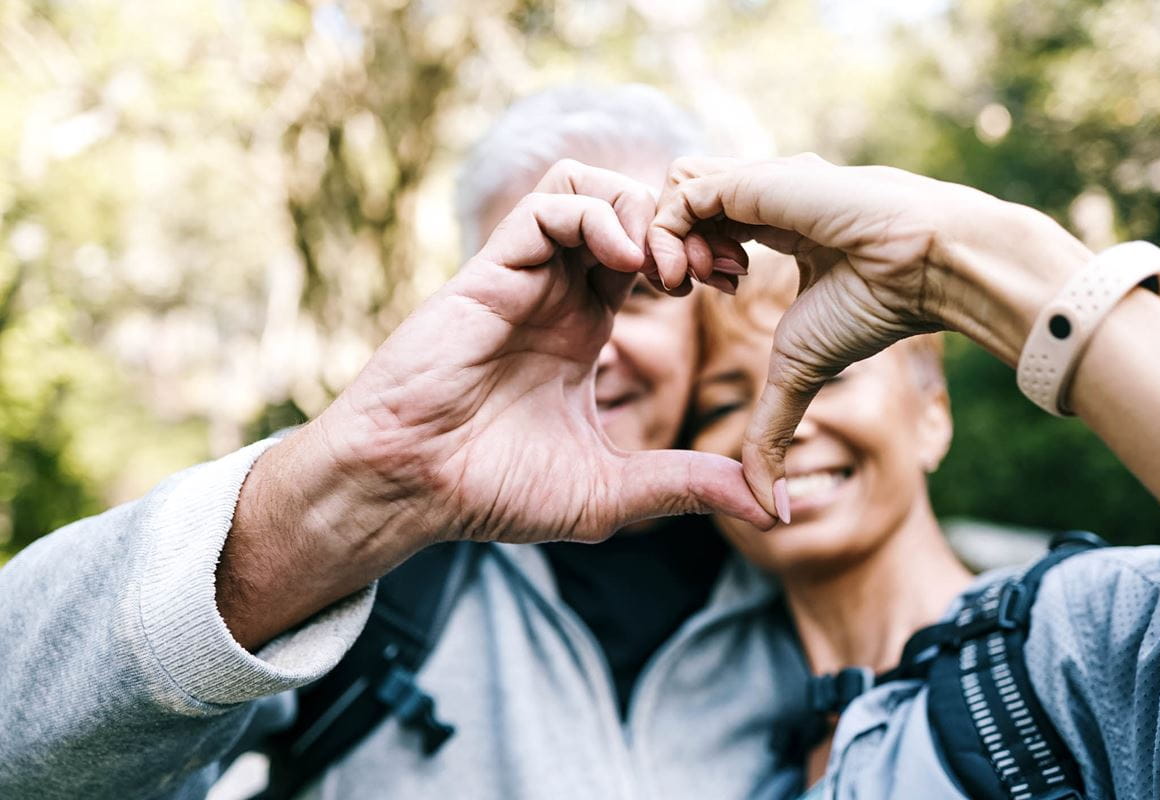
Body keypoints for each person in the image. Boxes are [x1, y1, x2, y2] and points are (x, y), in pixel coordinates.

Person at [0, 86, 803, 800]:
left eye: (637, 294)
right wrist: (345, 500)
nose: (588, 345)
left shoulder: (795, 585)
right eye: (546, 287)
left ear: (708, 317)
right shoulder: (369, 558)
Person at [649, 153, 1160, 798]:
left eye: (829, 375)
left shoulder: (1087, 633)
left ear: (933, 412)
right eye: (720, 403)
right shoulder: (717, 761)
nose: (779, 422)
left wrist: (945, 255)